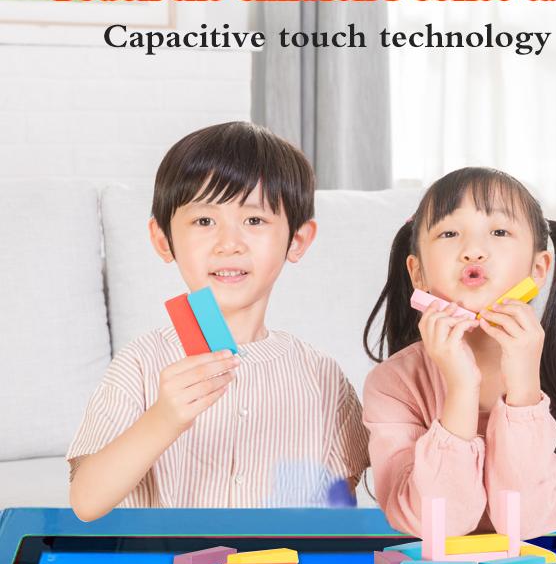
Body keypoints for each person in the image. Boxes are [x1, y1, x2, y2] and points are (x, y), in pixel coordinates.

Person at [68, 122, 368, 519]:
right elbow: (86, 502)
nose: (230, 243)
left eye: (255, 220)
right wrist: (164, 418)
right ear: (163, 240)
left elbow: (339, 513)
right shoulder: (141, 363)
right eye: (204, 221)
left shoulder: (322, 377)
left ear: (297, 239)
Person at [362, 167, 556, 539]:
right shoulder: (391, 384)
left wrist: (524, 392)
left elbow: (527, 524)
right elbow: (437, 525)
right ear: (417, 273)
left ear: (538, 269)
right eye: (449, 233)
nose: (473, 250)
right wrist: (461, 388)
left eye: (499, 232)